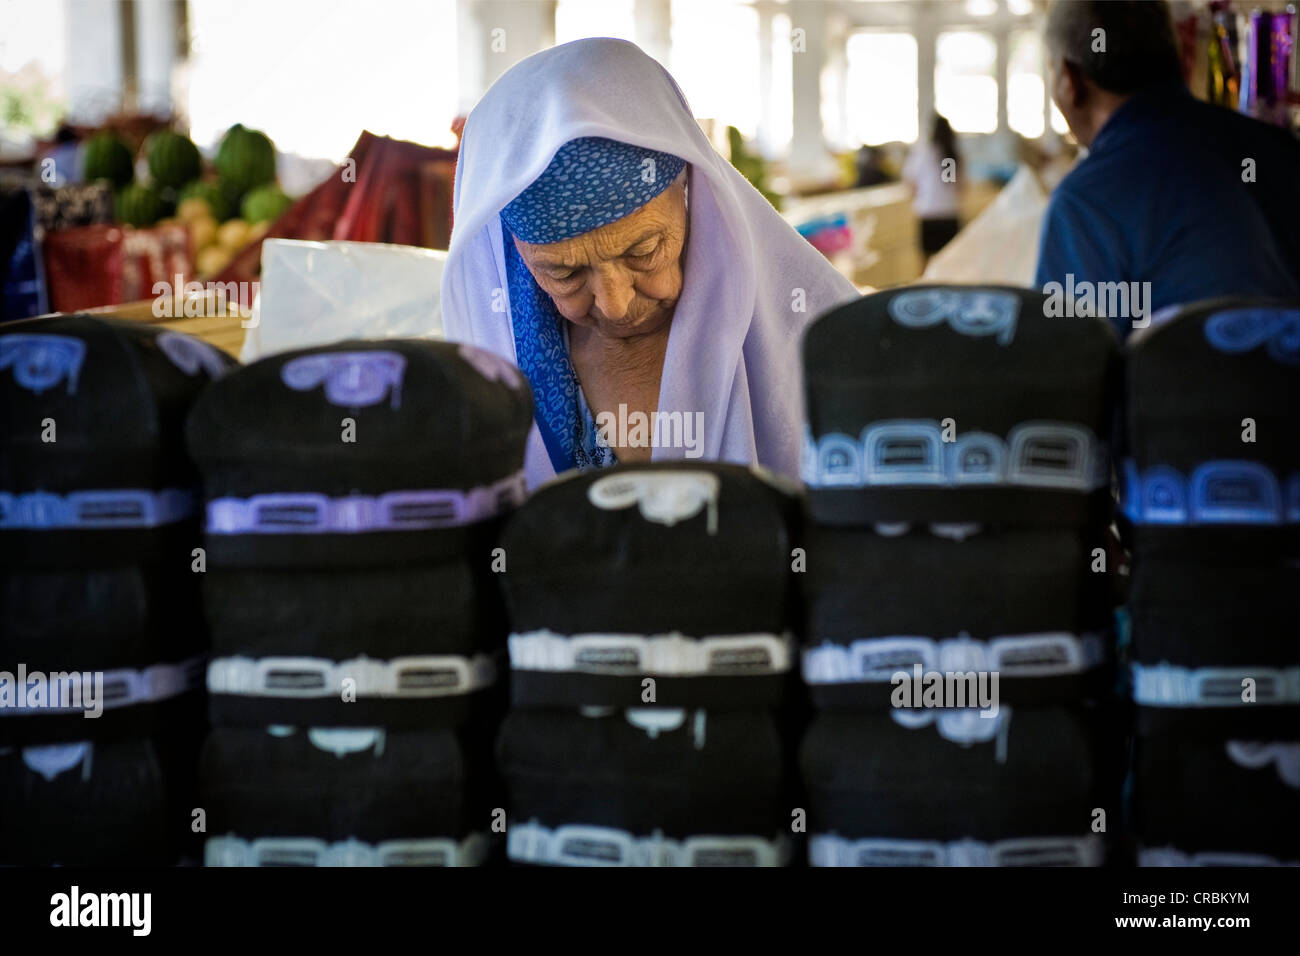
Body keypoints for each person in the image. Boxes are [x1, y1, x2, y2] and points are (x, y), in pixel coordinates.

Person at [441, 38, 859, 488]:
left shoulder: (827, 335)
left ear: (689, 189)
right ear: (514, 250)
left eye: (642, 252)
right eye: (565, 273)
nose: (615, 304)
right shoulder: (499, 357)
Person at [1036, 0, 1300, 339]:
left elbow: (1068, 357)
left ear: (1069, 80)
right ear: (1177, 58)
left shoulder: (1088, 199)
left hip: (1184, 375)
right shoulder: (1280, 150)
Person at [903, 113, 963, 267]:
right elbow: (957, 187)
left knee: (926, 262)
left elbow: (911, 183)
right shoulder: (951, 155)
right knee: (951, 263)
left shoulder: (924, 152)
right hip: (949, 213)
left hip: (929, 213)